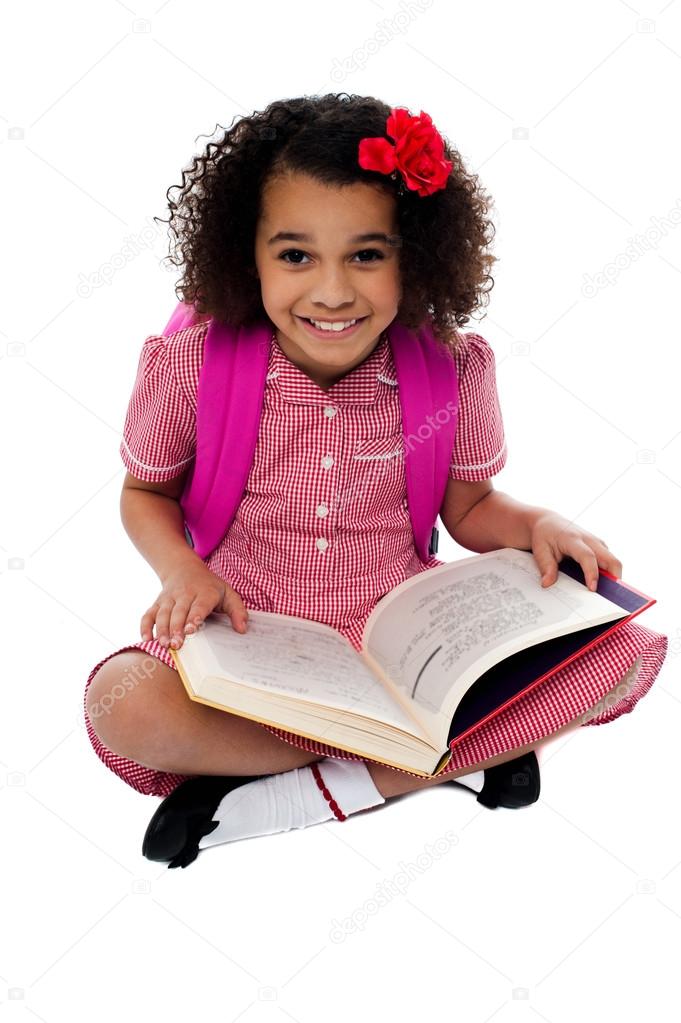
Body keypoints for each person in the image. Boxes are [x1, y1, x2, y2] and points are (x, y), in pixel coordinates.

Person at [83, 94, 668, 869]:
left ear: (417, 255)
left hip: (399, 637)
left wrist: (536, 525)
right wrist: (182, 569)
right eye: (295, 256)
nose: (331, 292)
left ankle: (292, 792)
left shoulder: (452, 368)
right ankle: (452, 758)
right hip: (252, 637)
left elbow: (470, 506)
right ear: (243, 254)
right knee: (120, 701)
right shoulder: (190, 367)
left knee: (619, 652)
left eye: (366, 255)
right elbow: (144, 493)